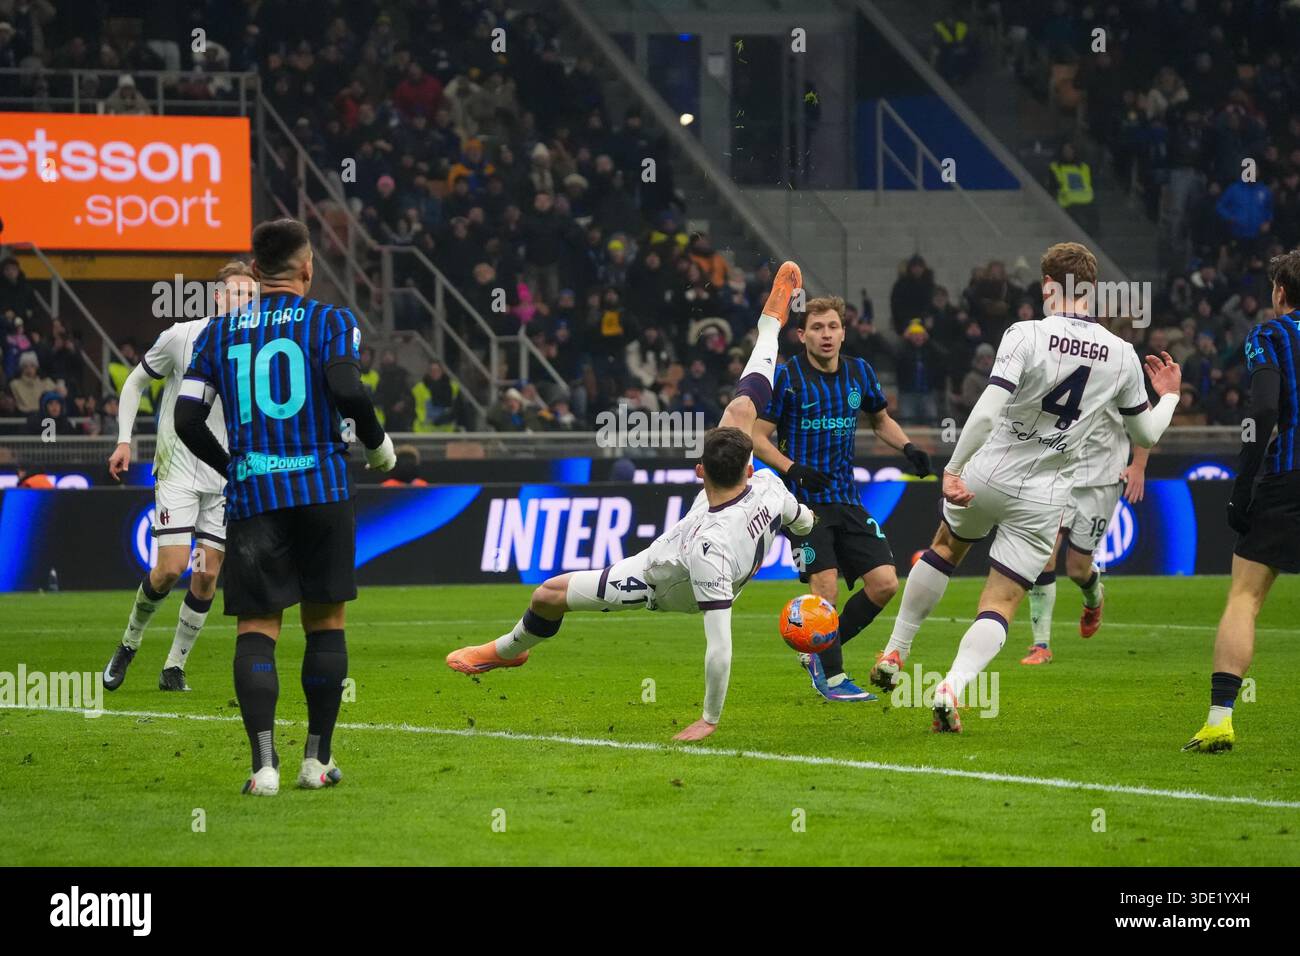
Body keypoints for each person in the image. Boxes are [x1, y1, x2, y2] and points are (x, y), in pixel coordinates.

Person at [445, 263, 816, 741]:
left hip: (659, 582)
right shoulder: (770, 487)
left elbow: (719, 648)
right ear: (750, 467)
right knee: (742, 408)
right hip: (721, 528)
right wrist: (804, 553)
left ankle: (508, 649)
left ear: (698, 472)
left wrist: (709, 719)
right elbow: (806, 522)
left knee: (548, 595)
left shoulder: (709, 548)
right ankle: (773, 318)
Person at [868, 242, 1181, 733]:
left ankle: (896, 649)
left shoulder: (1026, 334)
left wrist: (955, 466)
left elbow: (988, 409)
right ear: (1091, 291)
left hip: (989, 471)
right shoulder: (1122, 355)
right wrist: (1169, 397)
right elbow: (1146, 435)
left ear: (1047, 288)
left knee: (946, 548)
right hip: (1045, 493)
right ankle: (952, 687)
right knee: (1002, 600)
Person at [174, 218, 397, 795]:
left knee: (257, 626)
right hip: (322, 491)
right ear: (307, 268)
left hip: (255, 499)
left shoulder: (219, 334)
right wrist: (377, 447)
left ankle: (263, 767)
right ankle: (315, 762)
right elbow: (349, 390)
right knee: (325, 624)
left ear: (253, 271)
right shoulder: (331, 320)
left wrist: (234, 468)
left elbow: (186, 419)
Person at [752, 295, 931, 701]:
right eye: (817, 328)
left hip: (846, 499)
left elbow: (880, 420)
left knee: (885, 584)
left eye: (833, 327)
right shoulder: (788, 377)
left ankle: (818, 651)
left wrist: (907, 448)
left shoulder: (859, 373)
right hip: (802, 506)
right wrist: (791, 468)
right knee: (826, 588)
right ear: (802, 335)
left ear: (844, 332)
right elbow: (755, 436)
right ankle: (832, 679)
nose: (826, 334)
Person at [102, 261, 258, 693]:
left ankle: (174, 667)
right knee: (170, 570)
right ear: (217, 297)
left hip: (225, 475)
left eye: (251, 296)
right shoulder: (182, 335)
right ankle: (129, 644)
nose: (244, 302)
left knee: (207, 574)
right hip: (177, 469)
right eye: (236, 294)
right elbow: (135, 383)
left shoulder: (258, 346)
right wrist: (123, 440)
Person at [1184, 251, 1300, 753]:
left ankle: (1219, 720)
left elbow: (1265, 408)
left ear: (1279, 291)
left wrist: (1243, 483)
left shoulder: (1271, 335)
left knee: (1246, 597)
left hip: (1287, 477)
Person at [1023, 409, 1152, 665]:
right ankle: (1041, 645)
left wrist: (1139, 465)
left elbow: (1145, 418)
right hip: (1059, 476)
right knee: (1043, 557)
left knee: (1077, 569)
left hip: (1102, 481)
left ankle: (1094, 599)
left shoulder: (1121, 370)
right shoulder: (1058, 369)